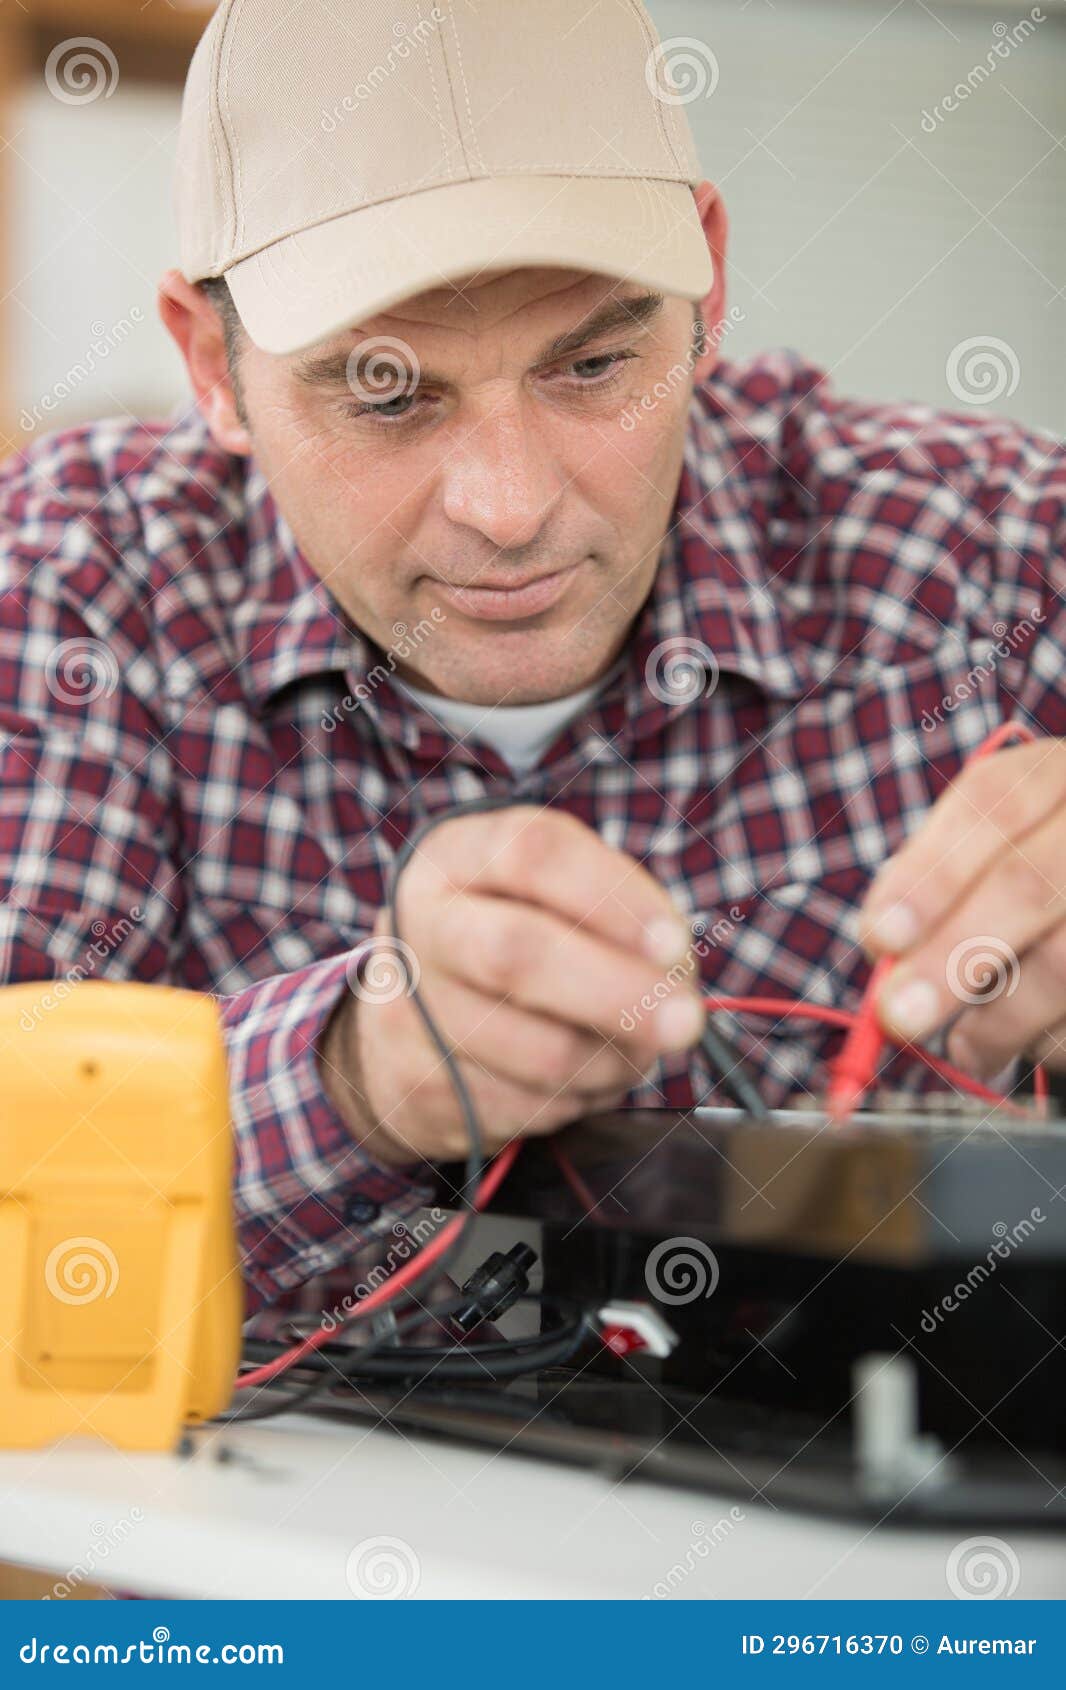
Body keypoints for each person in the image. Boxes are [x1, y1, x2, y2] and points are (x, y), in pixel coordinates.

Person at [2, 0, 1064, 1316]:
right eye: (387, 392)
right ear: (211, 364)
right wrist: (354, 1077)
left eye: (594, 363)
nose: (508, 508)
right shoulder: (75, 581)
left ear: (706, 286)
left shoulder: (1007, 558)